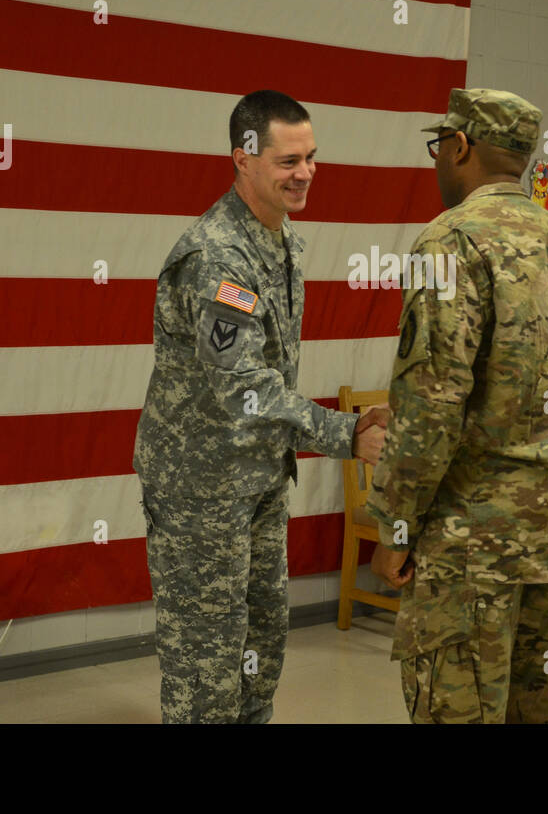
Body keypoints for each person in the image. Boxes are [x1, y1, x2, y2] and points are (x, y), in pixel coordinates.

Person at [133, 89, 388, 723]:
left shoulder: (281, 241)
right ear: (243, 159)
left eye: (311, 157)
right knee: (207, 662)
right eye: (287, 160)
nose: (305, 173)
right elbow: (242, 386)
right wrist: (345, 432)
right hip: (202, 489)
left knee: (262, 644)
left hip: (258, 477)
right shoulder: (216, 255)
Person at [366, 87, 548, 724]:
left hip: (477, 546)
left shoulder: (451, 243)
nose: (438, 159)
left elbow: (431, 404)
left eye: (439, 146)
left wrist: (395, 525)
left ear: (460, 146)